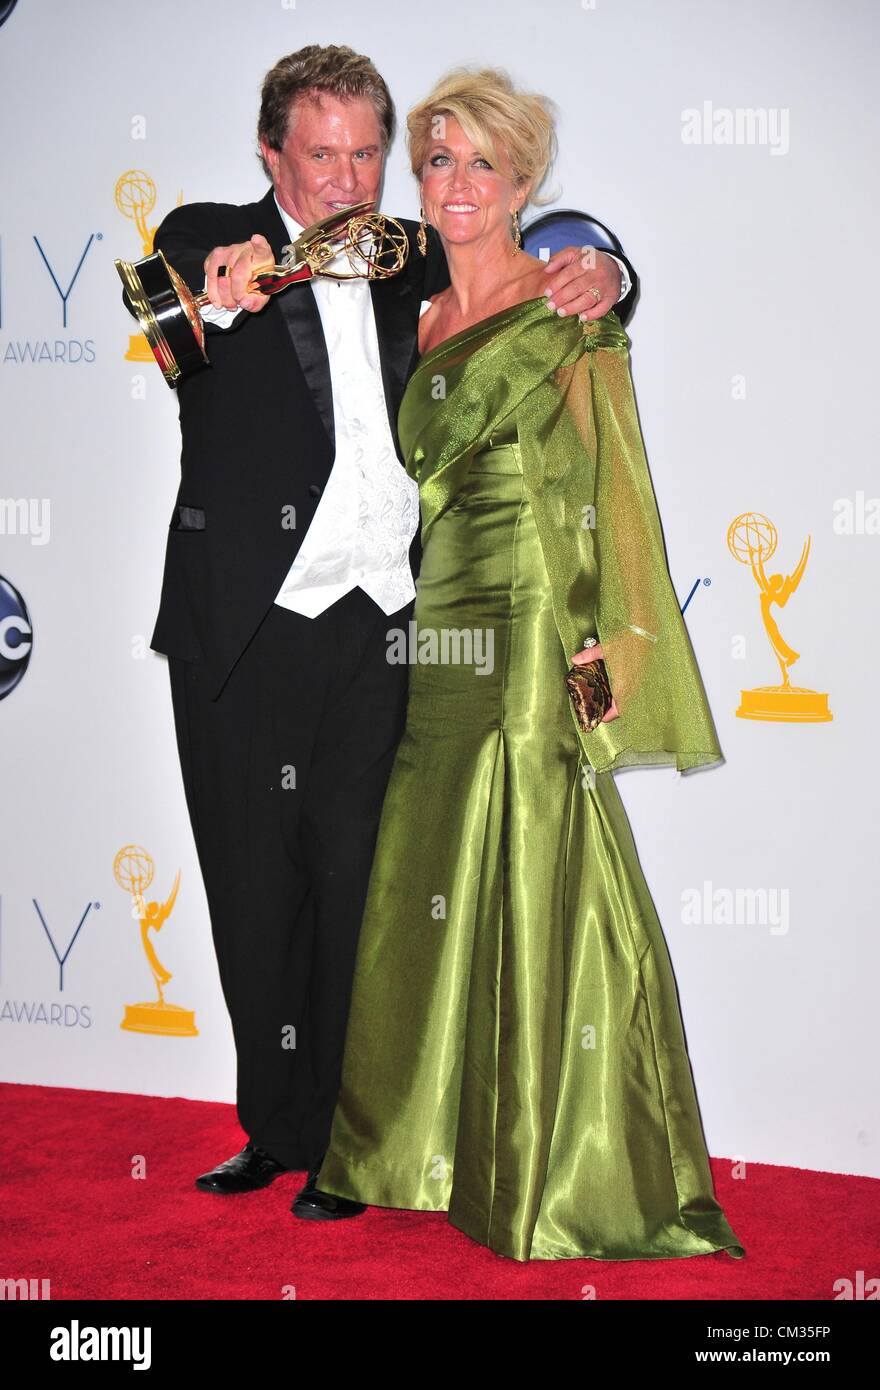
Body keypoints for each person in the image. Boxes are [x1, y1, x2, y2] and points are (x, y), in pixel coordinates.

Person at [148, 44, 636, 1221]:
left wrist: (606, 270)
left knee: (363, 896)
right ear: (273, 153)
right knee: (251, 893)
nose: (346, 178)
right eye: (321, 154)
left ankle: (348, 1147)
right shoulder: (206, 233)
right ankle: (272, 1127)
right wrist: (221, 281)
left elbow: (526, 261)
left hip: (385, 633)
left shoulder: (411, 248)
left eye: (369, 152)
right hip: (245, 638)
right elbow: (180, 315)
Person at [316, 68, 745, 1262]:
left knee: (532, 855)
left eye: (481, 166)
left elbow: (615, 483)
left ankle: (545, 1163)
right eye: (438, 160)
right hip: (442, 624)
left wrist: (602, 649)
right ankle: (406, 1147)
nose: (456, 184)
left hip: (534, 626)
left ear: (524, 185)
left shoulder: (565, 304)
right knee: (428, 868)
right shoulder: (418, 313)